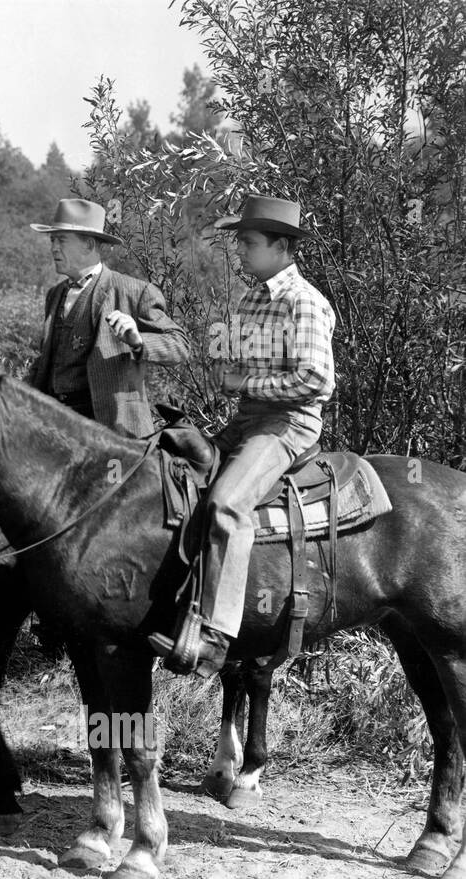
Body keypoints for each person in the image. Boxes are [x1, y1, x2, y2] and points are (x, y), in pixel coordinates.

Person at [190, 194, 335, 674]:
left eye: (248, 242)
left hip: (288, 424)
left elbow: (317, 380)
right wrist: (227, 365)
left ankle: (217, 634)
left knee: (226, 503)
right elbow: (237, 362)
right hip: (249, 420)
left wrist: (245, 382)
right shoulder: (252, 297)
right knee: (177, 475)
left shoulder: (305, 302)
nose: (240, 251)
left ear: (280, 245)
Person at [27, 198, 190, 437]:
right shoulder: (55, 295)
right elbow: (47, 362)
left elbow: (180, 346)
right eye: (52, 240)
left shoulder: (134, 292)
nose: (53, 248)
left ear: (88, 245)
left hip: (113, 432)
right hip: (56, 427)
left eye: (61, 240)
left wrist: (138, 340)